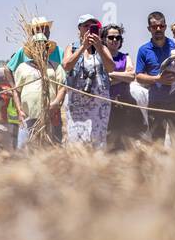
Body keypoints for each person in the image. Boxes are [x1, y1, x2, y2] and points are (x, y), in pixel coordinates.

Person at [63, 14, 117, 147]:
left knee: (97, 141)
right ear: (79, 28)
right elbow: (66, 66)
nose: (89, 29)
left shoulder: (102, 47)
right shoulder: (72, 47)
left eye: (92, 27)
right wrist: (83, 47)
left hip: (99, 104)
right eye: (86, 26)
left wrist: (98, 47)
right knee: (76, 142)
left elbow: (111, 68)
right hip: (77, 104)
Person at [135, 12, 175, 145]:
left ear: (165, 27)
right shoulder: (143, 50)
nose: (158, 29)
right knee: (156, 143)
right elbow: (139, 76)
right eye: (154, 27)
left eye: (161, 26)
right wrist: (158, 79)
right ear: (149, 29)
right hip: (156, 101)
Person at [13, 31, 64, 149]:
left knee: (50, 149)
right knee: (24, 149)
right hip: (28, 116)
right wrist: (19, 109)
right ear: (32, 49)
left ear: (47, 48)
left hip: (49, 116)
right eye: (37, 46)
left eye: (44, 46)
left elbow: (62, 88)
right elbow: (16, 90)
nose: (41, 49)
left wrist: (56, 103)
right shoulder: (22, 67)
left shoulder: (55, 67)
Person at [101, 24, 143, 148]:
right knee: (109, 143)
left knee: (126, 143)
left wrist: (111, 74)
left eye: (118, 38)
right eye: (111, 37)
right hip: (105, 107)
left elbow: (131, 77)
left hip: (125, 105)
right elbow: (102, 81)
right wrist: (122, 77)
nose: (115, 40)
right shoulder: (99, 58)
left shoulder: (125, 57)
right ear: (104, 39)